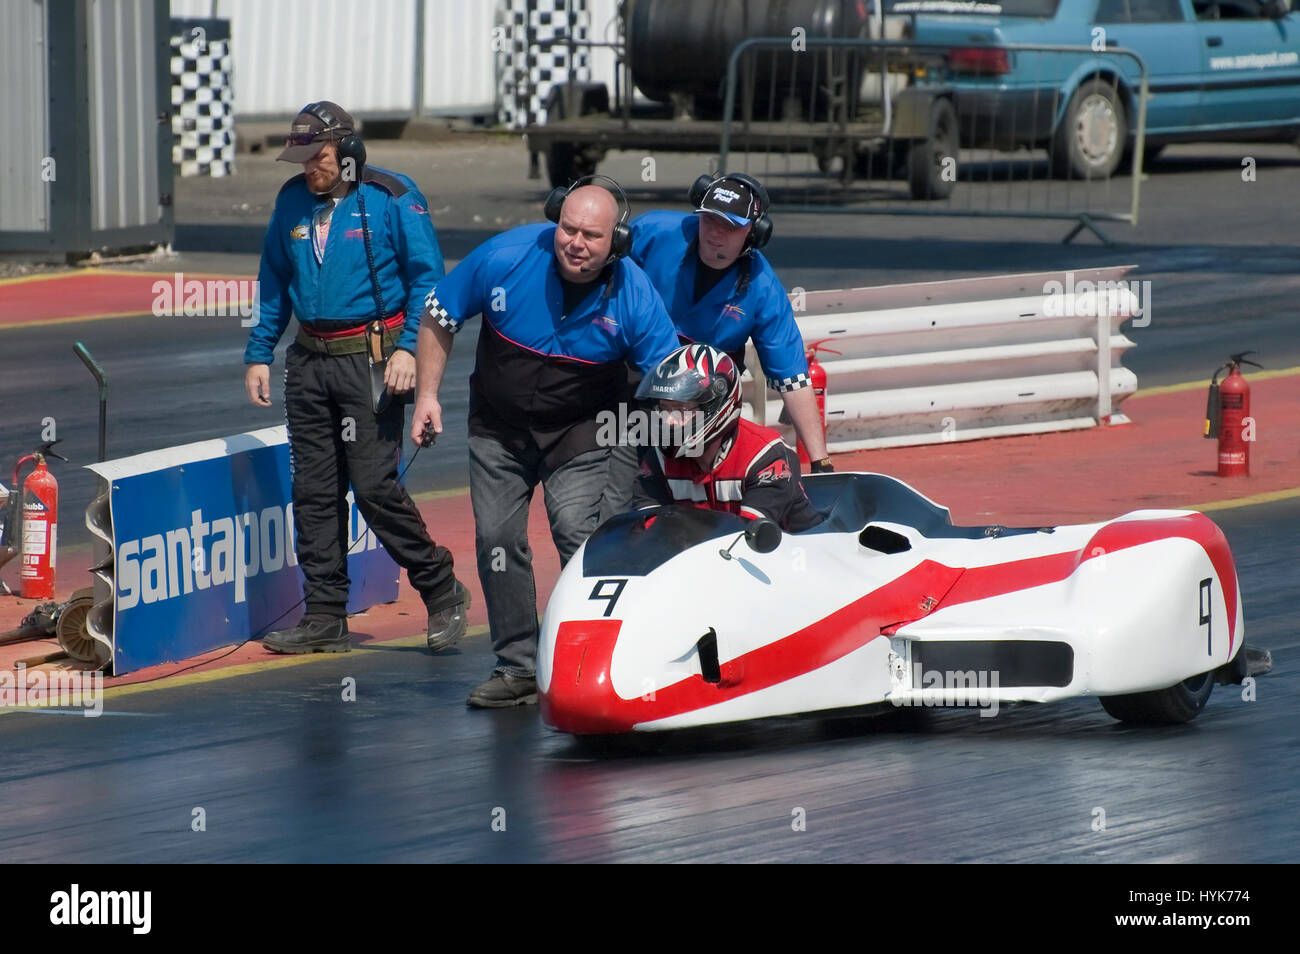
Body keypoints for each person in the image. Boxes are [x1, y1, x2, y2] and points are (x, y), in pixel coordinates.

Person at [412, 177, 679, 707]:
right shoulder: (505, 256)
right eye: (568, 229)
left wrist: (670, 427)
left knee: (580, 534)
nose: (575, 243)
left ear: (616, 245)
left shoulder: (634, 294)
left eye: (591, 236)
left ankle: (594, 660)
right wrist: (427, 396)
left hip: (583, 429)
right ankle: (517, 667)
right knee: (495, 541)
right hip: (499, 426)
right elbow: (438, 315)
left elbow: (667, 375)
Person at [244, 101, 468, 655]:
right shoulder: (291, 200)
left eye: (317, 157)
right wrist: (258, 352)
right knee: (313, 493)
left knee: (373, 487)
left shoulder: (392, 196)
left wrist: (410, 349)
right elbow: (273, 278)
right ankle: (325, 616)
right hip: (309, 362)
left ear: (348, 152)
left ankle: (442, 590)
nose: (308, 169)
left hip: (371, 360)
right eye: (300, 159)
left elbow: (428, 281)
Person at [628, 172, 834, 473]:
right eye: (709, 220)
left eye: (729, 226)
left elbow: (794, 380)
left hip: (701, 402)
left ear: (754, 232)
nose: (715, 233)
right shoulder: (653, 231)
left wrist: (821, 462)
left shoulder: (763, 288)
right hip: (633, 379)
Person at [631, 343, 821, 533]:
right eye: (664, 409)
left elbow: (747, 540)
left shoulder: (766, 457)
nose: (669, 420)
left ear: (716, 406)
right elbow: (649, 535)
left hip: (797, 555)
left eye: (681, 409)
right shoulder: (658, 460)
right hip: (710, 556)